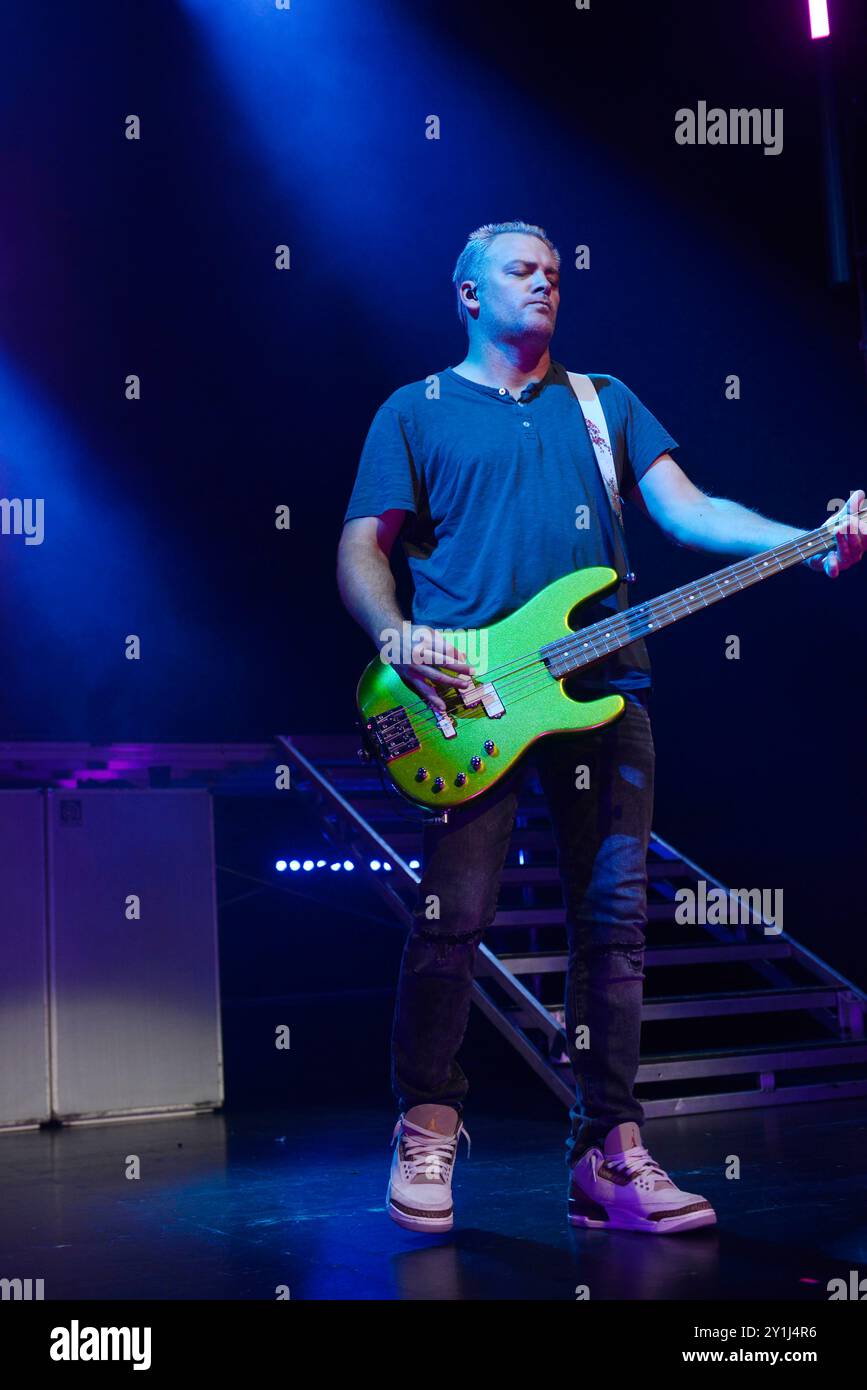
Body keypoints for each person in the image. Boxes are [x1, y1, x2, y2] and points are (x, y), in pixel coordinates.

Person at [336, 220, 866, 1236]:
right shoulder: (416, 410)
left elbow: (693, 510)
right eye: (521, 271)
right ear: (467, 293)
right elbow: (362, 548)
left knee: (613, 934)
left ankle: (610, 1152)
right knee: (452, 923)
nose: (544, 284)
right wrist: (397, 634)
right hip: (468, 703)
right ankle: (428, 1120)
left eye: (556, 274)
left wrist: (810, 540)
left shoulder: (603, 402)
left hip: (606, 694)